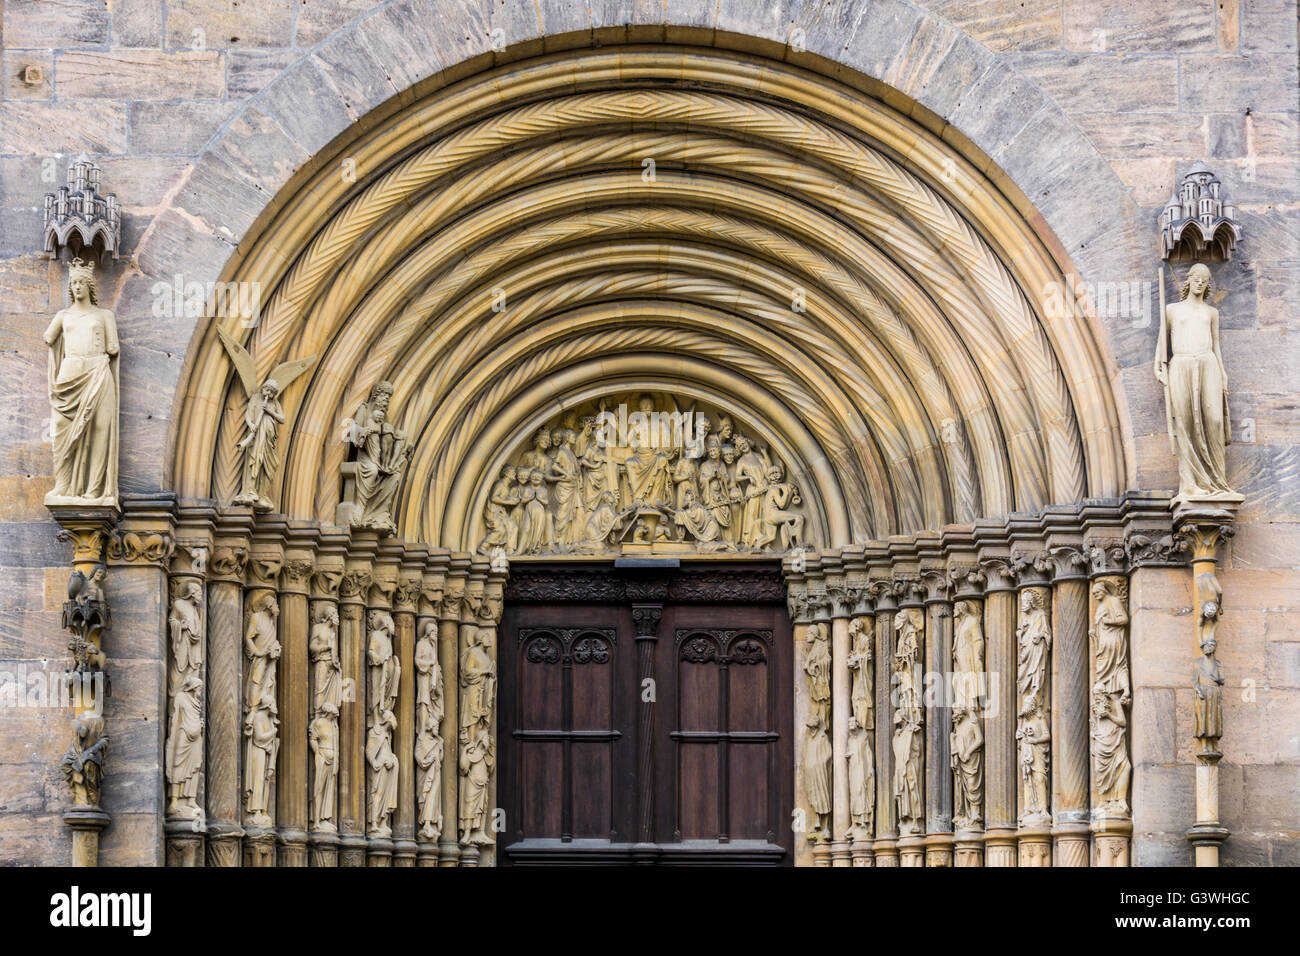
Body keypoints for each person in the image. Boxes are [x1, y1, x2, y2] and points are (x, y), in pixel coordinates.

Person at [44, 258, 119, 506]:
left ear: (89, 286)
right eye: (73, 283)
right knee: (61, 428)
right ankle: (64, 485)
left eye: (81, 282)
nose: (77, 287)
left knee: (100, 429)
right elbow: (49, 338)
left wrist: (105, 346)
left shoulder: (104, 315)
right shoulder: (63, 316)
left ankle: (94, 489)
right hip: (70, 373)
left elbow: (113, 347)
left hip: (97, 370)